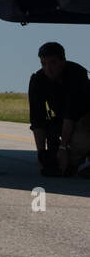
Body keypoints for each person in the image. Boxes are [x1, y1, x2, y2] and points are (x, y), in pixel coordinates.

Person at [27, 41, 90, 177]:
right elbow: (37, 119)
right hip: (63, 119)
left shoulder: (77, 75)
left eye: (53, 63)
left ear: (63, 61)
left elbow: (71, 113)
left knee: (81, 138)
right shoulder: (38, 80)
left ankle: (73, 162)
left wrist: (63, 148)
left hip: (84, 117)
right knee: (51, 145)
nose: (48, 68)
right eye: (44, 64)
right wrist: (41, 154)